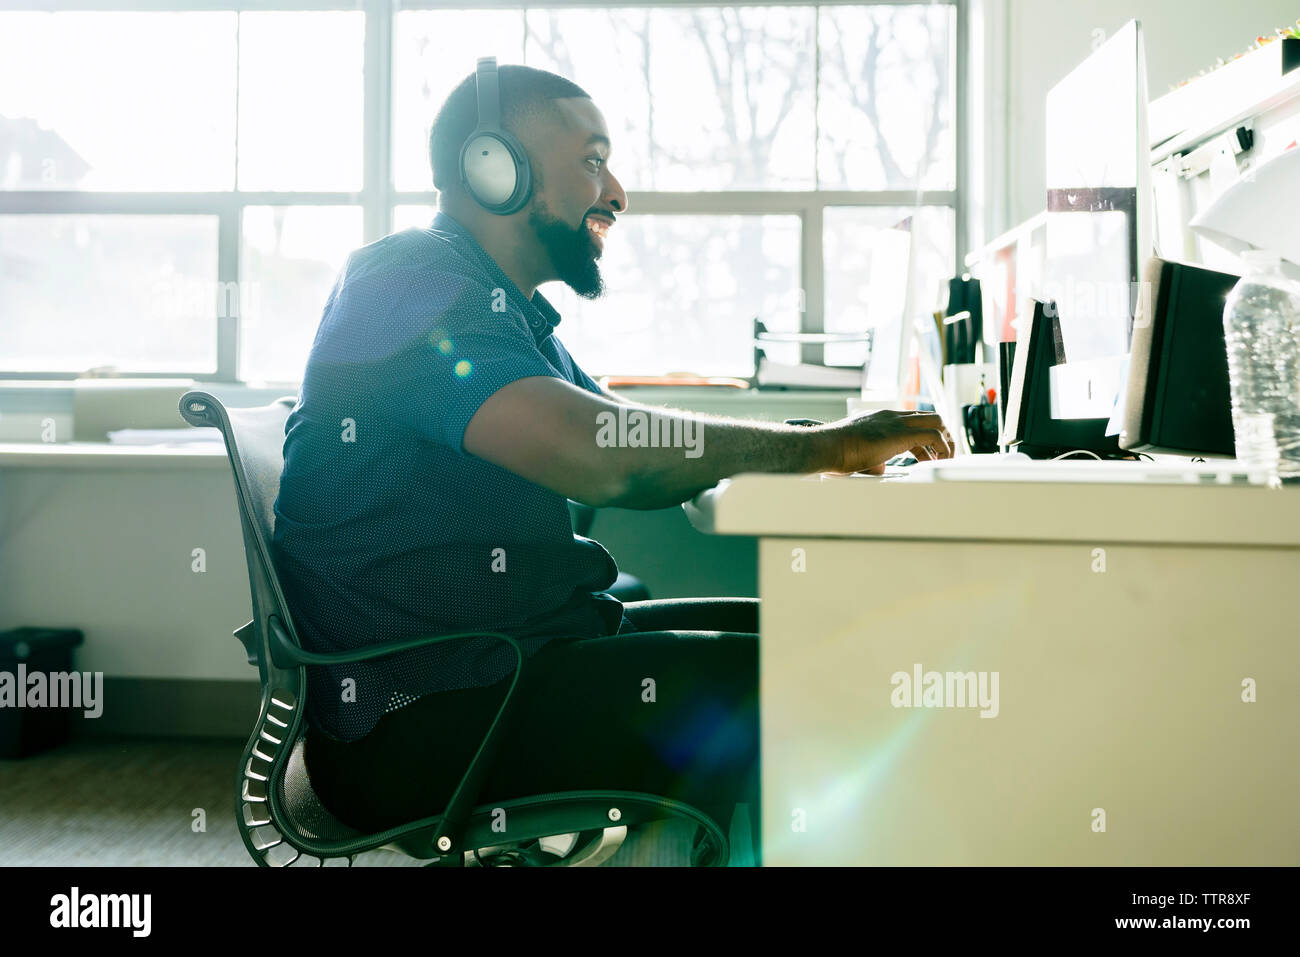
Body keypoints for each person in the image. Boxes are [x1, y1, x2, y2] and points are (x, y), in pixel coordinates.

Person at [273, 63, 953, 866]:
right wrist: (828, 445)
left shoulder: (501, 309)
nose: (617, 193)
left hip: (496, 669)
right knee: (825, 680)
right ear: (493, 167)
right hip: (423, 723)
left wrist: (819, 439)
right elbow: (607, 458)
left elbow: (633, 438)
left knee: (812, 635)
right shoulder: (410, 285)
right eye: (592, 160)